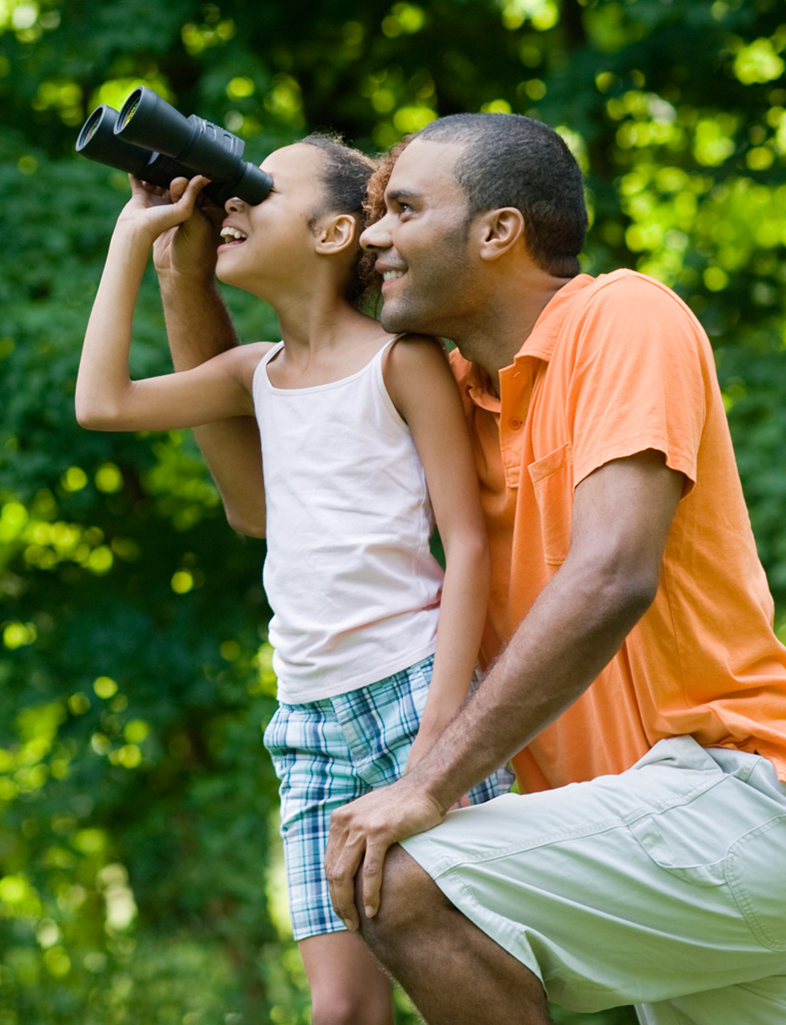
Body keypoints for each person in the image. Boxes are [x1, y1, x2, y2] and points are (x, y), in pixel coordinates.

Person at [314, 115, 786, 1025]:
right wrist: (187, 261)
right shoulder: (443, 400)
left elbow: (612, 573)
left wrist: (428, 784)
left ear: (498, 231)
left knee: (407, 881)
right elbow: (265, 495)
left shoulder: (621, 317)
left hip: (735, 794)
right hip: (648, 836)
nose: (374, 233)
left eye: (404, 209)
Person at [74, 133, 511, 1025]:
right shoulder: (252, 376)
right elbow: (102, 402)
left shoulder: (402, 361)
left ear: (332, 234)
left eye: (258, 193)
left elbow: (466, 544)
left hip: (413, 688)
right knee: (340, 1008)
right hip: (308, 718)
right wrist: (134, 236)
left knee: (470, 969)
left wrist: (443, 730)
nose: (230, 205)